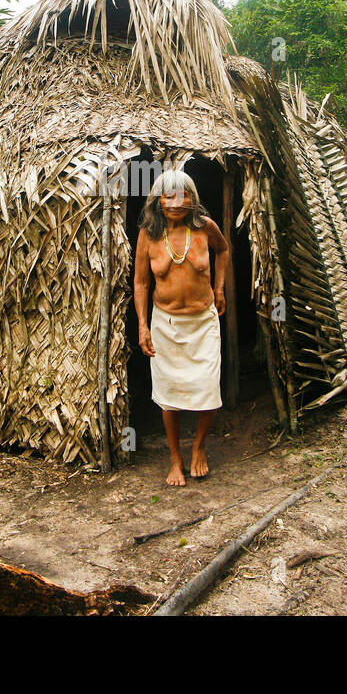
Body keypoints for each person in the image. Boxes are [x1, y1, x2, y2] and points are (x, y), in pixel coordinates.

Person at [133, 169, 229, 486]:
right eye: (168, 195)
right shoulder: (149, 235)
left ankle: (199, 446)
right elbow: (142, 282)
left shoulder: (204, 228)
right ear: (157, 201)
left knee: (208, 388)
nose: (176, 202)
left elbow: (224, 249)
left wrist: (219, 288)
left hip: (203, 322)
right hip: (165, 324)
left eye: (183, 195)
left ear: (192, 199)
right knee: (168, 394)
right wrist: (143, 326)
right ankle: (175, 458)